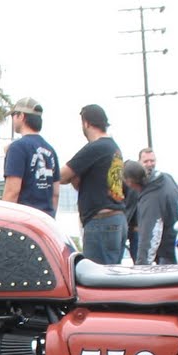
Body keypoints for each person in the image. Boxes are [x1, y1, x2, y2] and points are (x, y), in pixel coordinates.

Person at [57, 104, 126, 265]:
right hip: (117, 219)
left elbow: (61, 175)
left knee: (98, 280)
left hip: (101, 221)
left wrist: (73, 174)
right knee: (113, 276)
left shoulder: (95, 148)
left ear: (86, 122)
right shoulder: (113, 147)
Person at [1, 98, 59, 215]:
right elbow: (55, 193)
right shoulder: (50, 150)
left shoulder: (17, 148)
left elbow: (12, 192)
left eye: (13, 115)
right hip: (45, 221)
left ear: (21, 116)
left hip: (25, 221)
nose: (12, 119)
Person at [123, 159, 178, 266]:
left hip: (170, 252)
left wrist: (142, 267)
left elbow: (149, 236)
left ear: (129, 182)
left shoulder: (150, 198)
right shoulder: (167, 178)